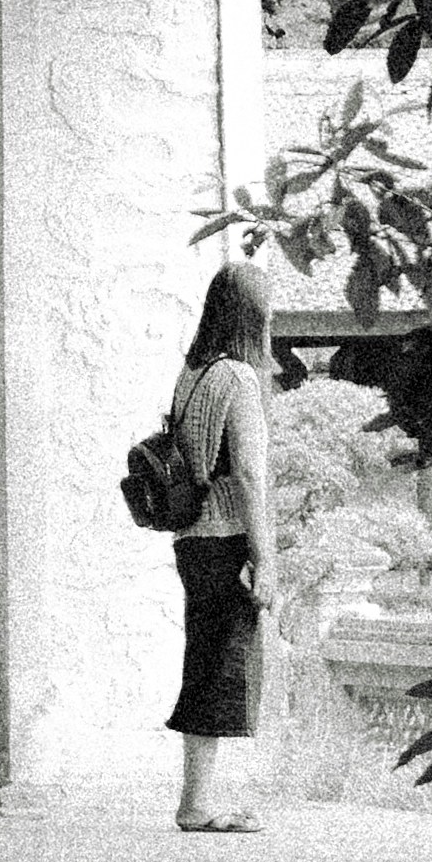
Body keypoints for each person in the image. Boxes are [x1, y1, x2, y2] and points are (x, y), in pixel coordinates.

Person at [164, 259, 280, 830]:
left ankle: (197, 797)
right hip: (229, 538)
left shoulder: (193, 373)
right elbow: (251, 478)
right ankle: (197, 804)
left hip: (191, 540)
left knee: (205, 659)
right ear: (252, 317)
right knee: (220, 666)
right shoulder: (238, 378)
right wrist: (265, 559)